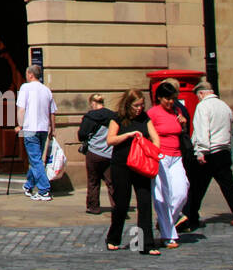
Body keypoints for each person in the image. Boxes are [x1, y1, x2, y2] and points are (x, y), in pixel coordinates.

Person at [180, 80, 233, 230]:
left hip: (208, 152)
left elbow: (202, 131)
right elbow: (229, 129)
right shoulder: (225, 106)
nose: (198, 99)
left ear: (202, 93)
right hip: (223, 150)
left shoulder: (203, 106)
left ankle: (192, 219)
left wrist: (201, 152)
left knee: (197, 187)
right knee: (229, 186)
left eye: (198, 96)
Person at [105, 88, 162, 256]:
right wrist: (129, 135)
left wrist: (152, 149)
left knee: (144, 202)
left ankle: (146, 243)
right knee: (121, 203)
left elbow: (156, 139)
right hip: (121, 165)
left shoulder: (145, 118)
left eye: (142, 105)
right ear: (128, 105)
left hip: (141, 165)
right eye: (136, 106)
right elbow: (110, 140)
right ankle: (113, 238)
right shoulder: (118, 119)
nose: (140, 109)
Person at [148, 81, 191, 247]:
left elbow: (182, 133)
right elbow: (147, 133)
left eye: (173, 99)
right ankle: (168, 236)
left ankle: (164, 223)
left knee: (182, 192)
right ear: (159, 98)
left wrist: (184, 124)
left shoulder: (177, 111)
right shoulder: (153, 113)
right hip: (161, 156)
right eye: (167, 99)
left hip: (177, 156)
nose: (171, 102)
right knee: (162, 194)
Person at [15, 65, 57, 202]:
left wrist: (20, 125)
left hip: (30, 128)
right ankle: (28, 185)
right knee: (37, 159)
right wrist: (53, 129)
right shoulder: (47, 90)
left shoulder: (25, 88)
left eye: (27, 73)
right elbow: (52, 112)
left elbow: (21, 109)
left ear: (30, 74)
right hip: (43, 128)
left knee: (36, 160)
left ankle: (44, 190)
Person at [77, 93, 117, 214]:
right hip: (110, 152)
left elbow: (81, 135)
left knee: (93, 181)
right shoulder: (113, 116)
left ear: (93, 103)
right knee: (112, 182)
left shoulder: (90, 117)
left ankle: (93, 207)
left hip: (94, 153)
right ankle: (117, 206)